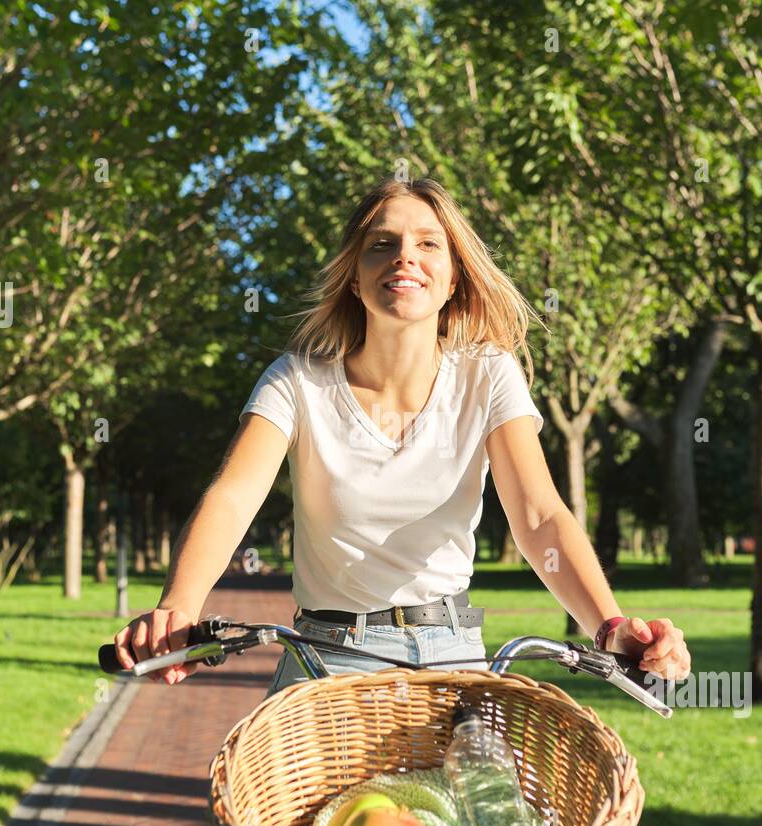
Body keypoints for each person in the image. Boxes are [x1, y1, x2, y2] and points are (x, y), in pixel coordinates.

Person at [112, 176, 691, 693]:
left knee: (489, 811)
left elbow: (539, 516)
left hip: (453, 656)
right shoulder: (298, 381)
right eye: (381, 245)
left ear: (453, 282)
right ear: (355, 279)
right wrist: (178, 608)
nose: (403, 257)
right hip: (325, 660)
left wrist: (611, 628)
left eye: (428, 244)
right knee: (284, 813)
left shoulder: (488, 374)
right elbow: (234, 497)